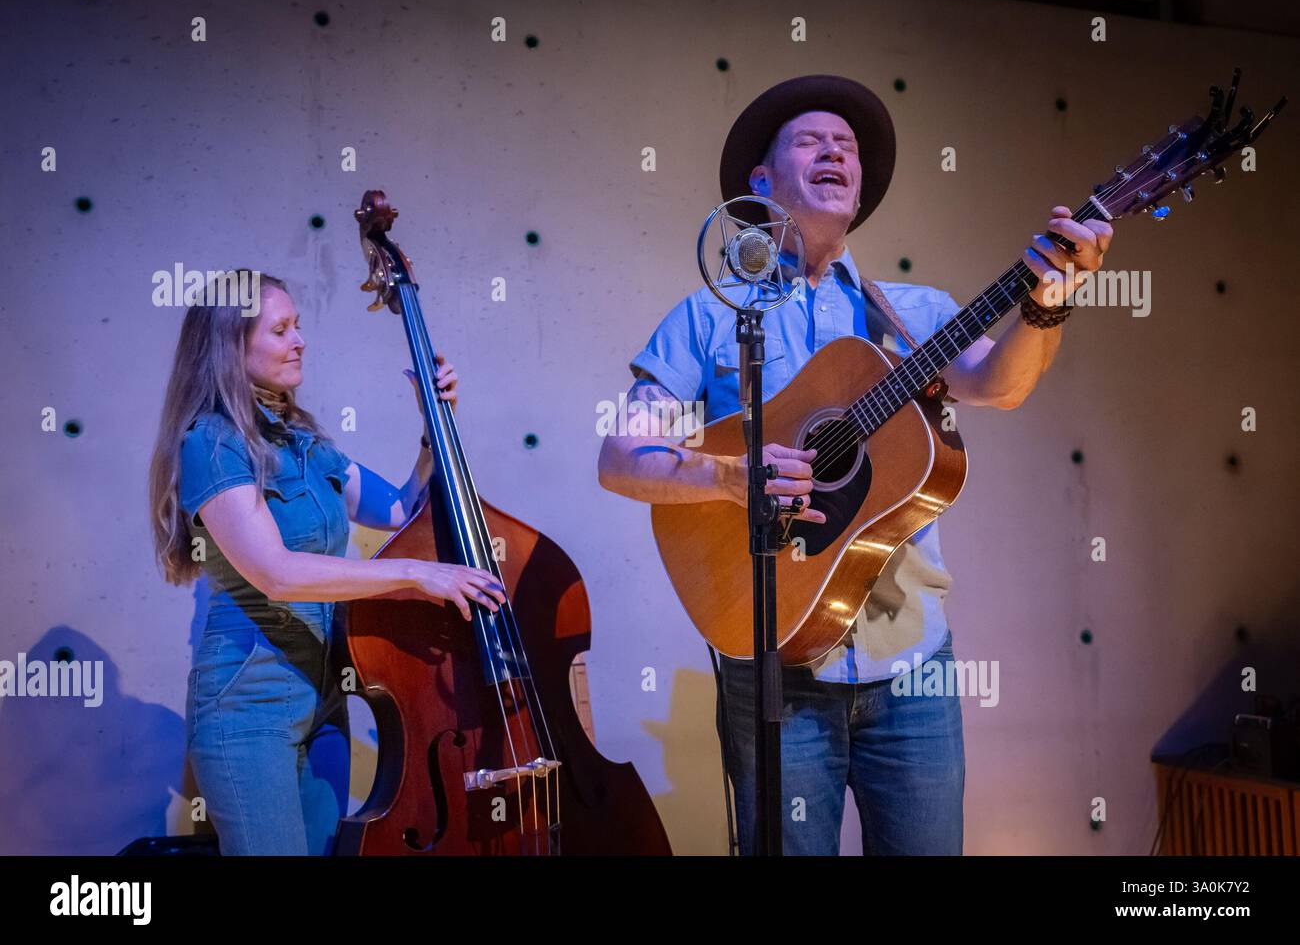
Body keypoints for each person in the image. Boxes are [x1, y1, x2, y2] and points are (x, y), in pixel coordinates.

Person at [597, 75, 1113, 855]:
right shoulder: (709, 315)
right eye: (811, 141)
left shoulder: (915, 313)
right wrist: (729, 477)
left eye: (847, 146)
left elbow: (1000, 386)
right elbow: (621, 457)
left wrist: (1047, 305)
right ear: (760, 181)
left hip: (911, 666)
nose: (835, 151)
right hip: (773, 669)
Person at [148, 269, 506, 855]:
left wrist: (433, 427)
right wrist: (415, 573)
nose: (299, 341)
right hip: (249, 706)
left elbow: (399, 510)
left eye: (298, 326)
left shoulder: (302, 441)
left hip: (324, 699)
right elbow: (277, 573)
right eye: (280, 330)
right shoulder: (210, 443)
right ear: (231, 347)